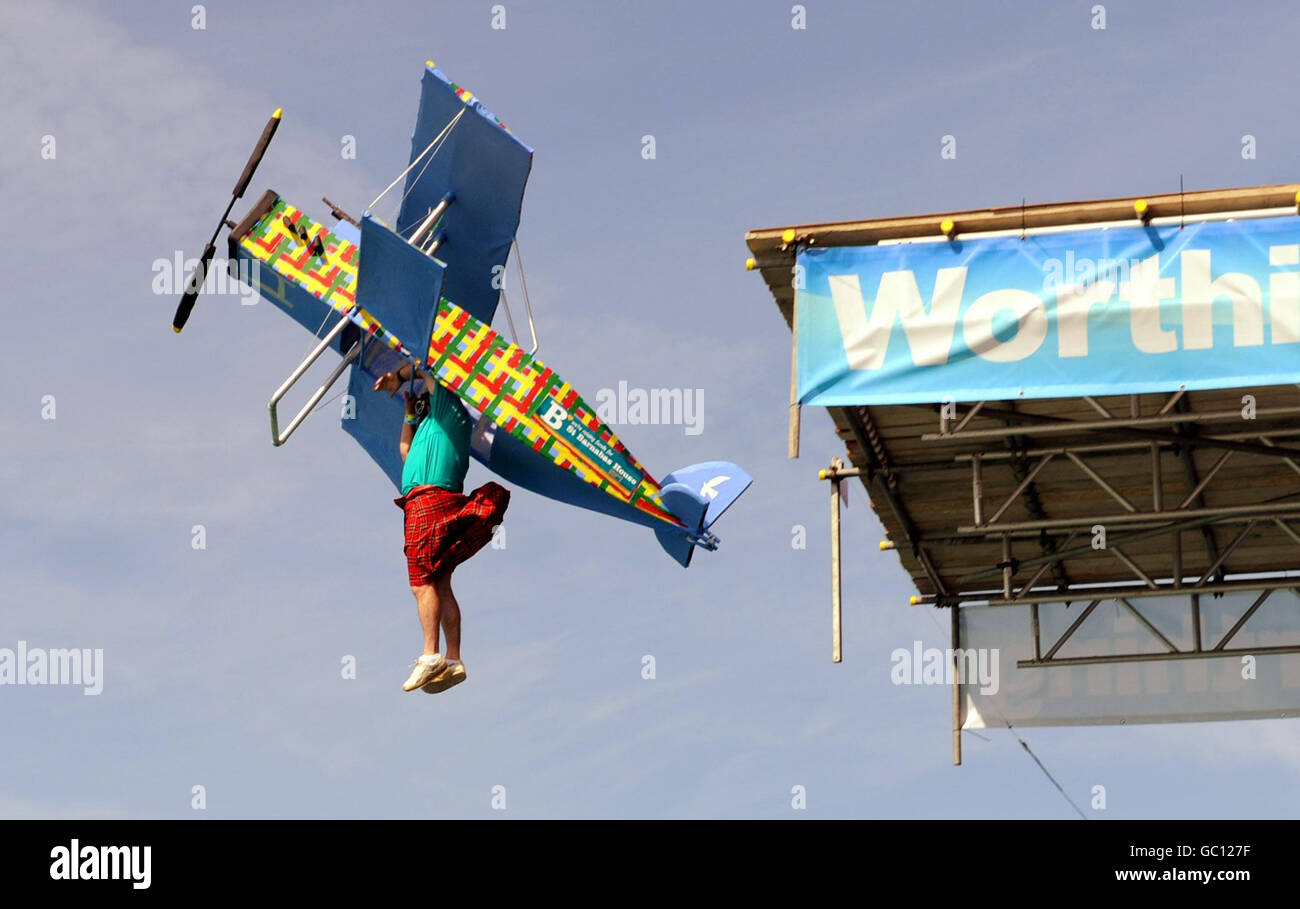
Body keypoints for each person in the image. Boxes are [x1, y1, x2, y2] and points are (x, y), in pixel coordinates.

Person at [373, 362, 509, 694]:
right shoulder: (424, 437)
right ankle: (453, 659)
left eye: (422, 406)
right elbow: (404, 450)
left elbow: (426, 364)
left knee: (421, 586)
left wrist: (400, 375)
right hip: (433, 504)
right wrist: (408, 415)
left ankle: (430, 655)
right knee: (439, 583)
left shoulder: (450, 413)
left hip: (427, 503)